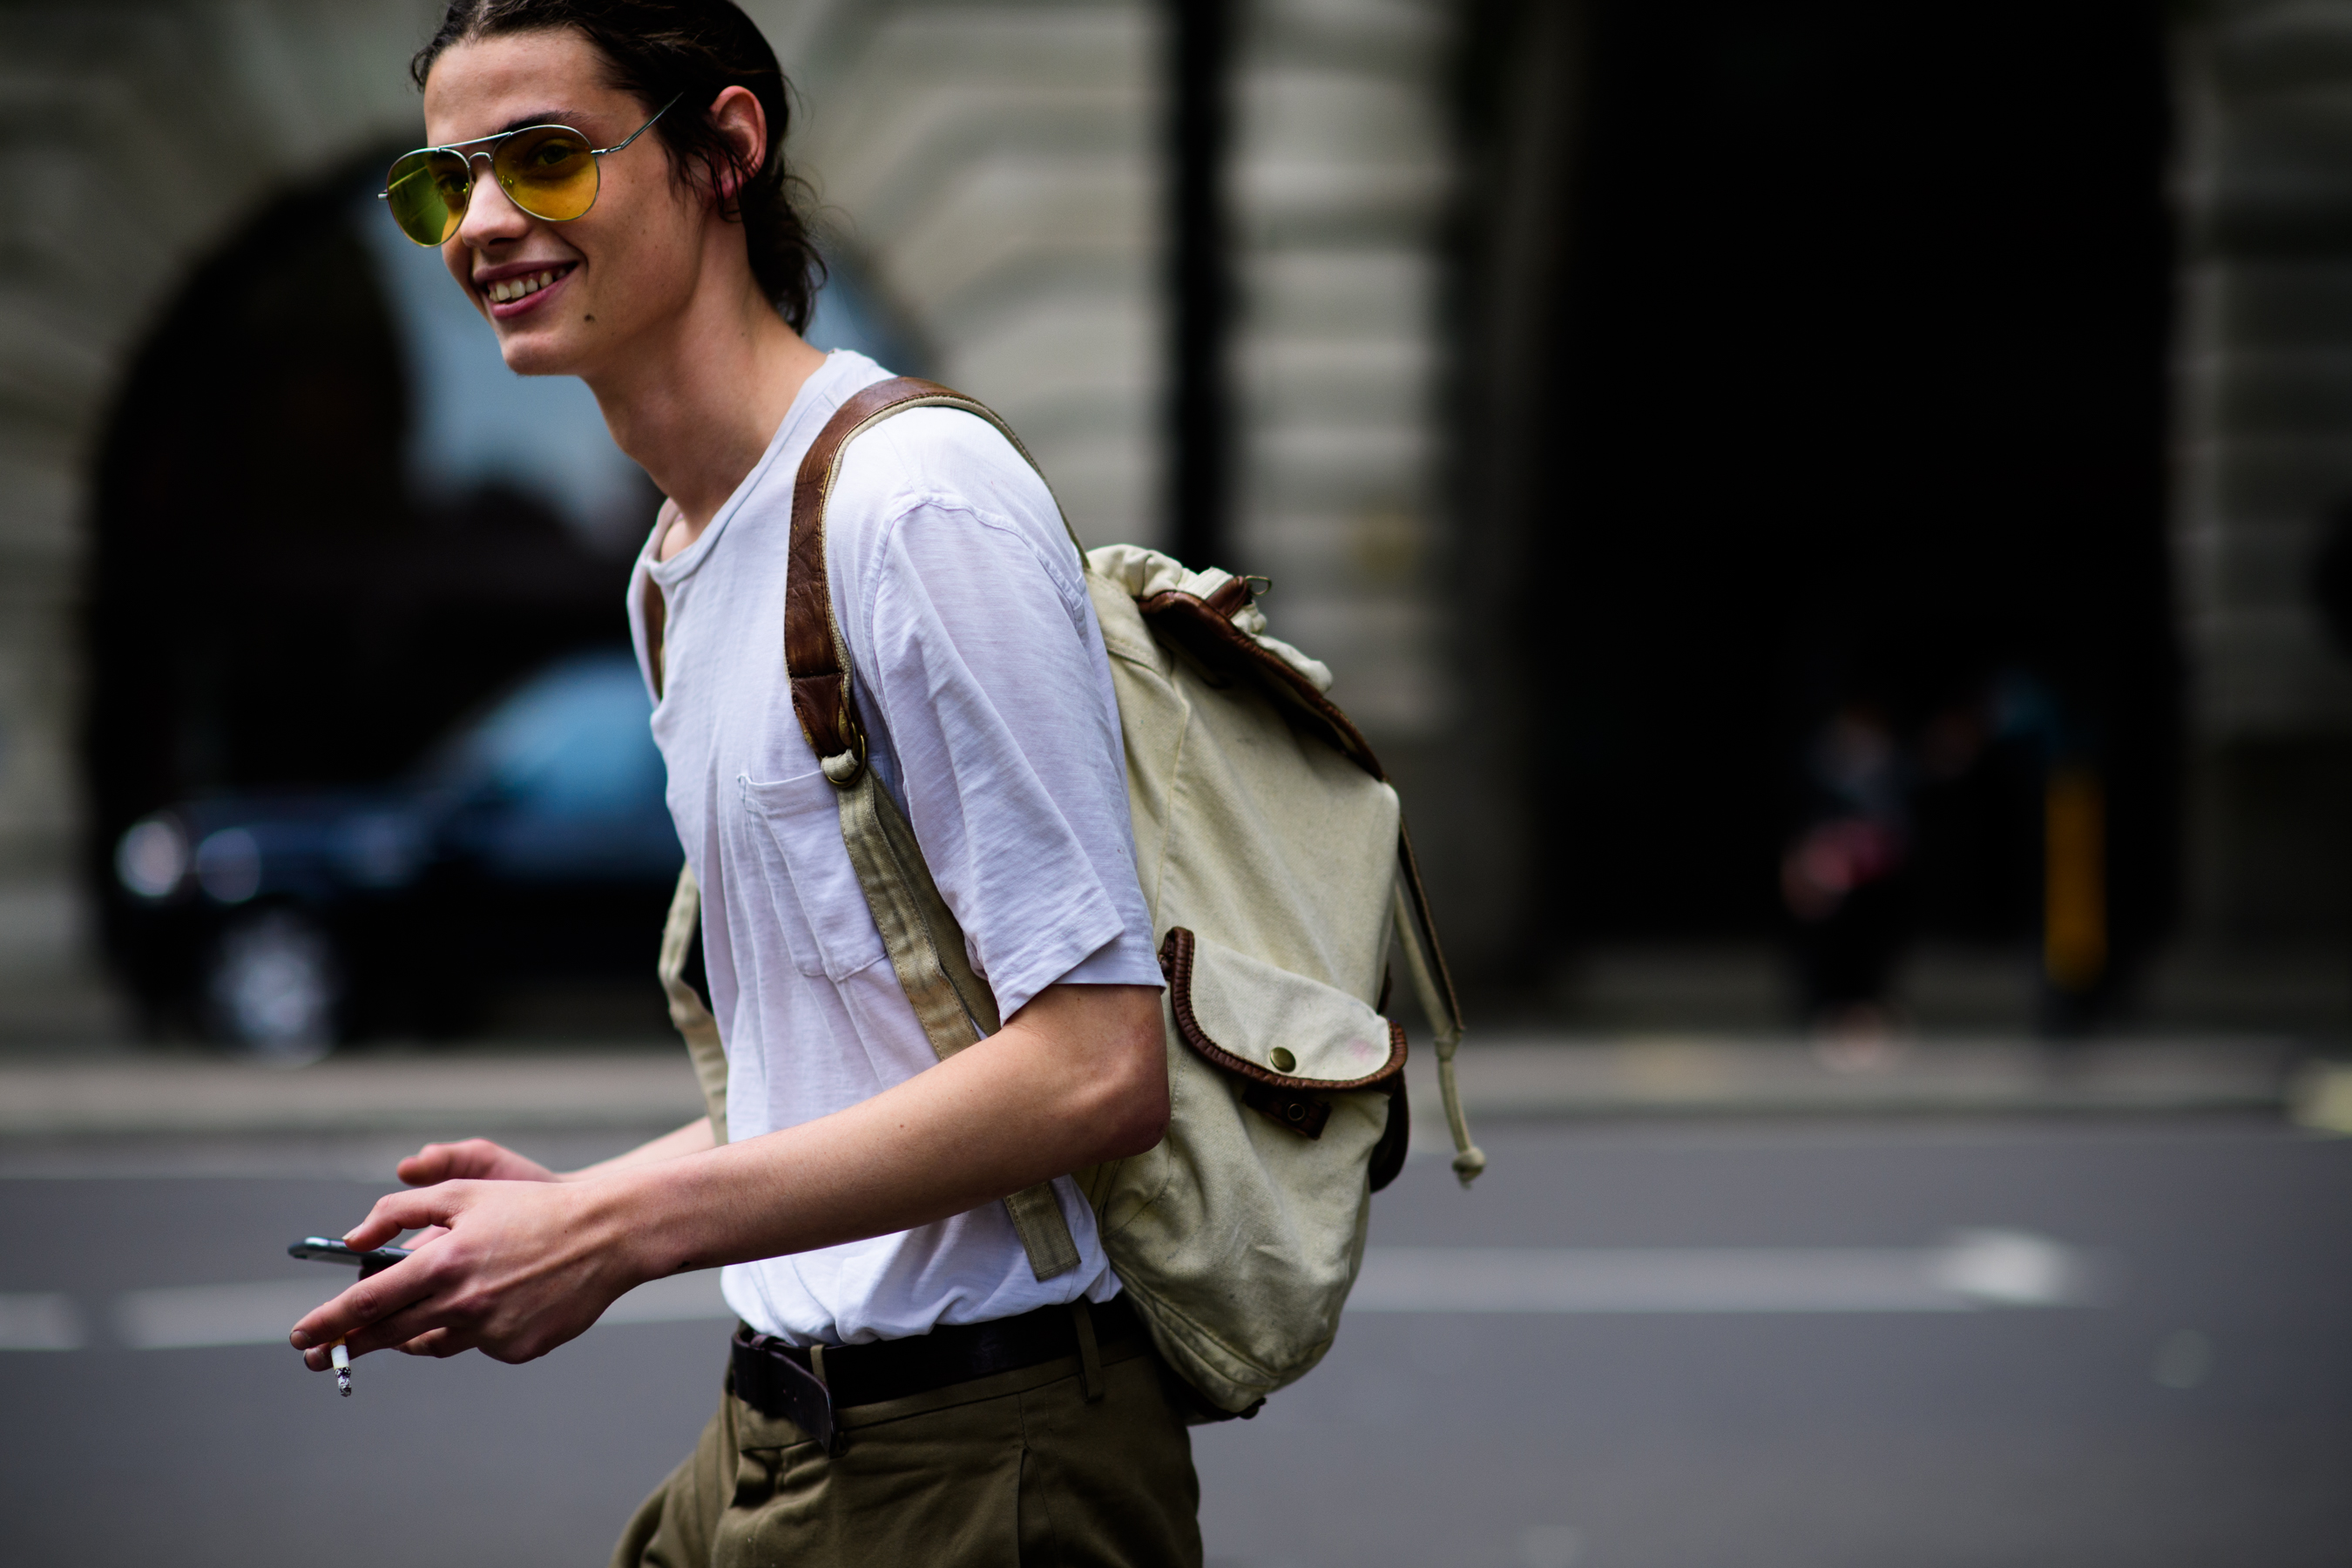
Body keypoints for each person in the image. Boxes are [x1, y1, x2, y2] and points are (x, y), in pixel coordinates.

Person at [287, 3, 1200, 1563]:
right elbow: (870, 1077)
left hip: (983, 1459)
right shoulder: (676, 569)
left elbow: (1095, 1068)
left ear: (724, 150)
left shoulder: (911, 503)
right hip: (776, 1430)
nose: (485, 222)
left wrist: (609, 1234)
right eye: (444, 183)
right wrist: (571, 1209)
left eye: (545, 159)